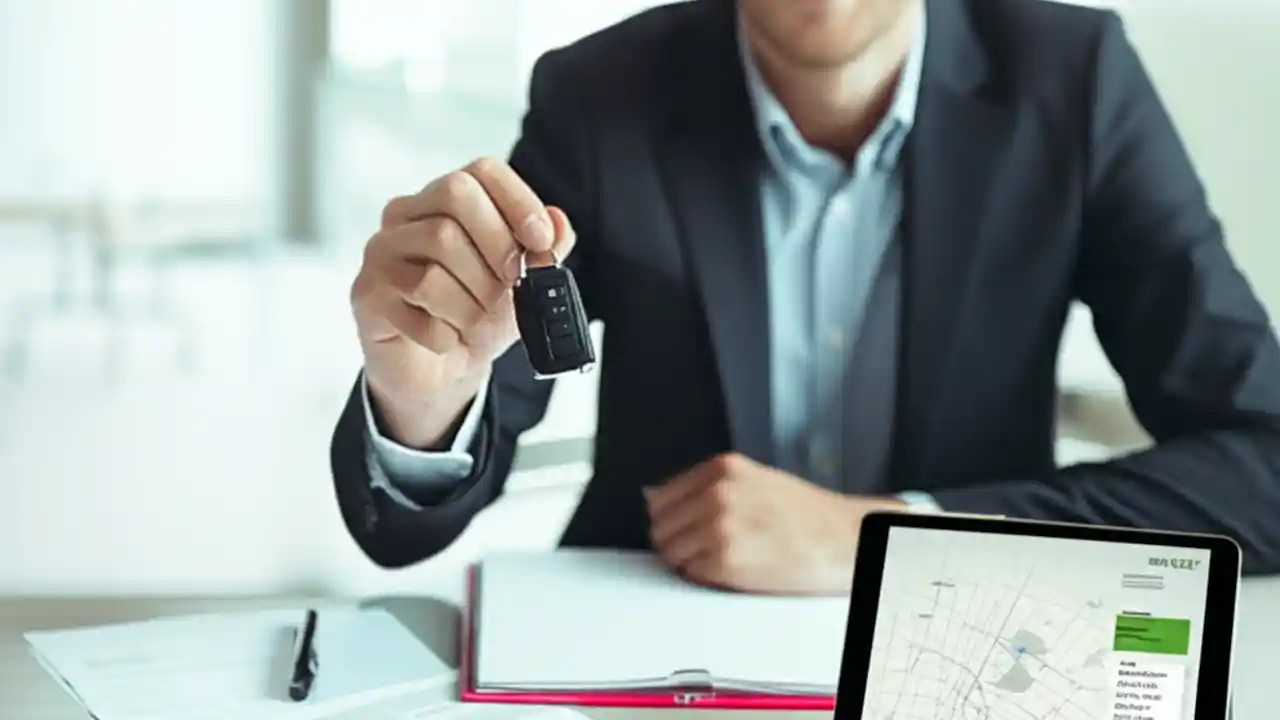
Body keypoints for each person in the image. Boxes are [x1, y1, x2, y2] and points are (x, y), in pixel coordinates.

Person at [331, 0, 1280, 594]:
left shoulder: (1077, 78)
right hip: (657, 657)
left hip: (967, 658)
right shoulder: (601, 90)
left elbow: (1265, 466)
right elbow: (416, 512)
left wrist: (896, 536)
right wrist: (424, 404)